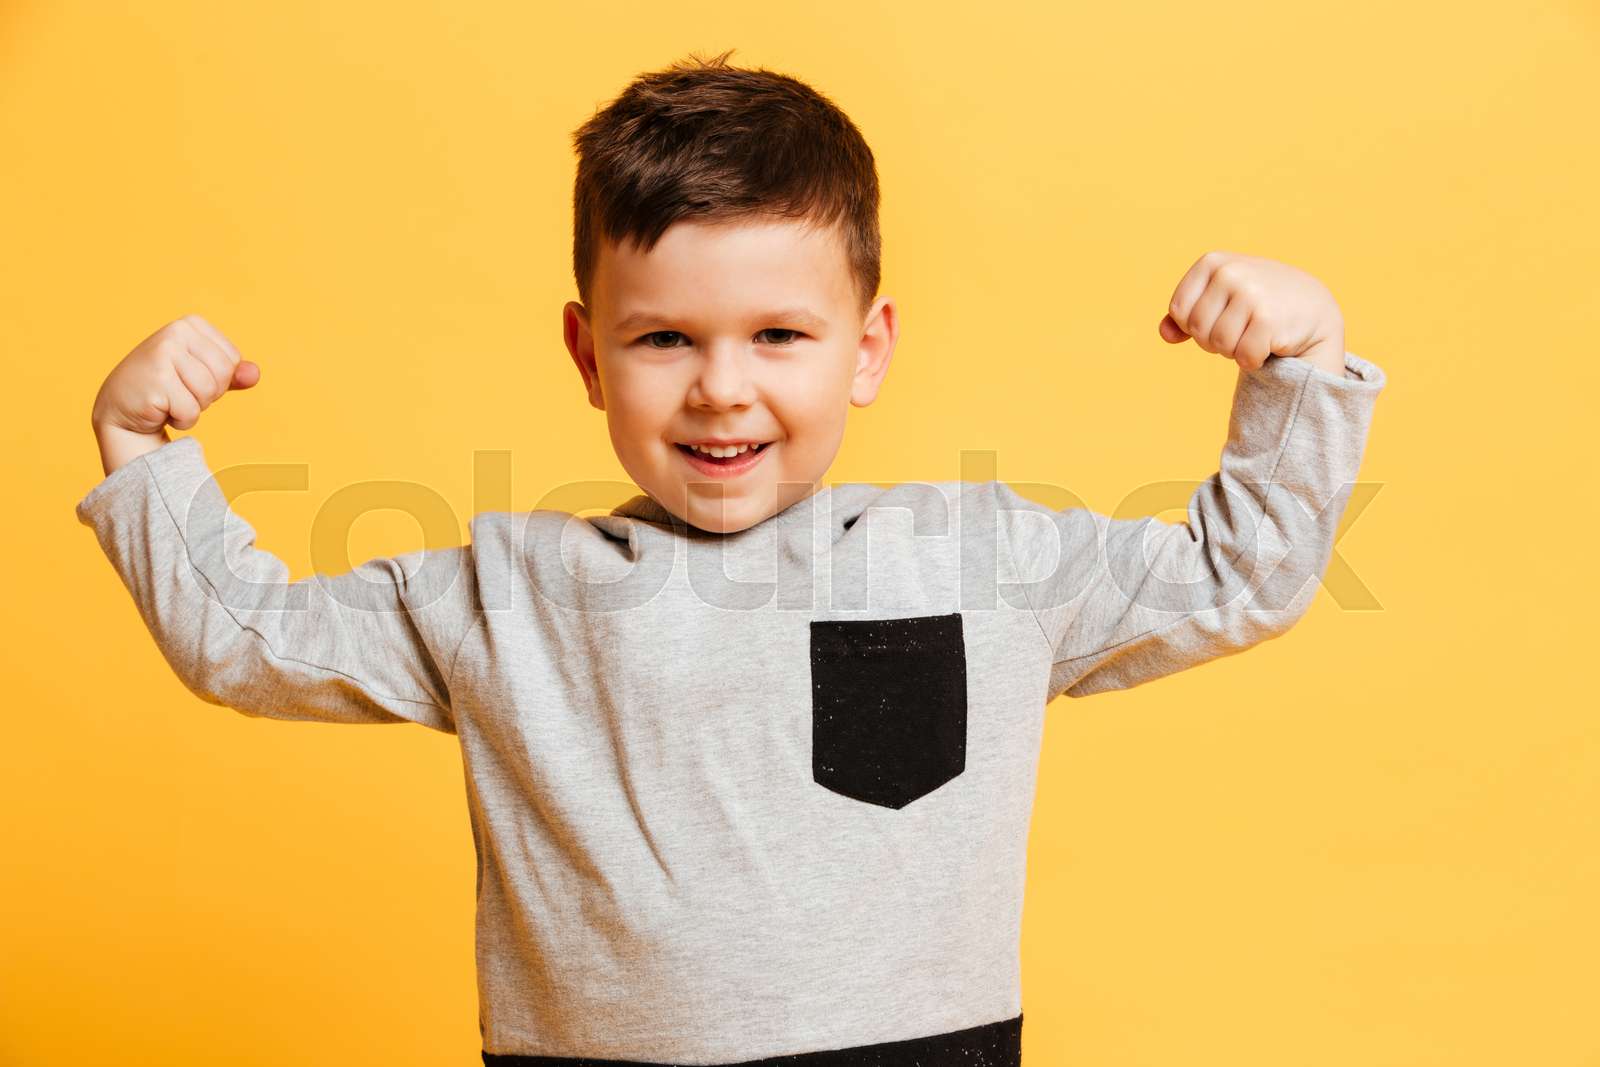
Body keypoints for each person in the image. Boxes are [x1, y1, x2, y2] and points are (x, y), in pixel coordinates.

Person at [75, 49, 1385, 1066]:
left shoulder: (977, 559)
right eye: (665, 340)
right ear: (590, 356)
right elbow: (245, 642)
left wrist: (1303, 361)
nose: (720, 388)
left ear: (867, 348)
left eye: (778, 335)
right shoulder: (506, 594)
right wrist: (144, 451)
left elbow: (1242, 576)